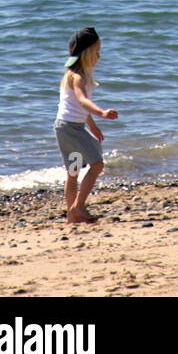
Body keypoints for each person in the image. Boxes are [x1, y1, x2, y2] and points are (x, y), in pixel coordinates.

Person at [54, 26, 118, 224]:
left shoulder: (75, 74)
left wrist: (92, 124)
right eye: (97, 52)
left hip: (65, 127)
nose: (99, 56)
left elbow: (75, 107)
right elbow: (82, 101)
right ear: (87, 53)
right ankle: (78, 208)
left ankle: (72, 214)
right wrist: (101, 113)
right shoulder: (78, 76)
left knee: (73, 173)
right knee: (97, 164)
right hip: (71, 129)